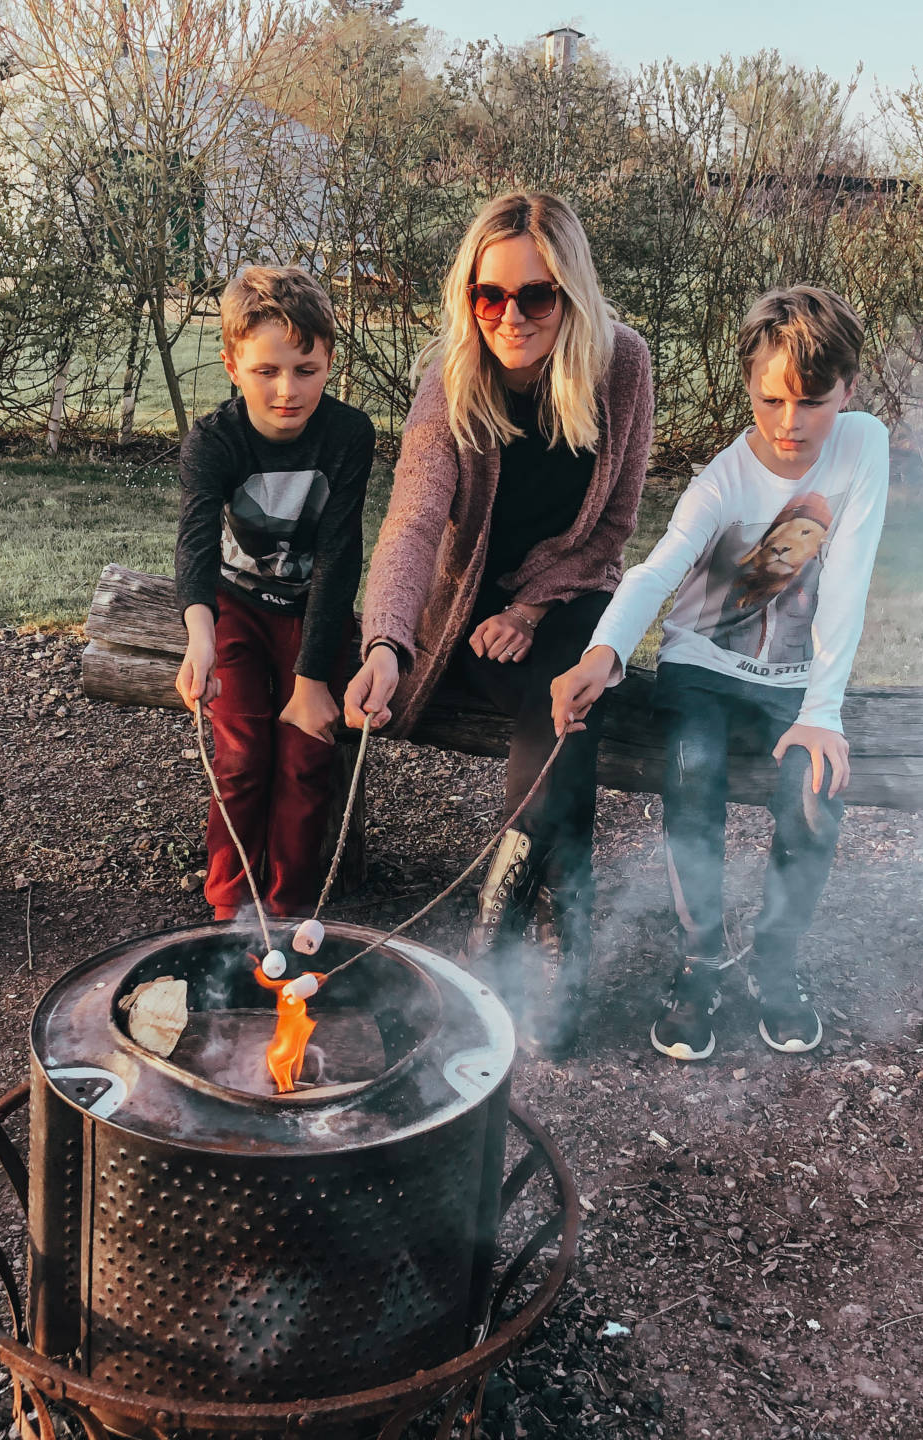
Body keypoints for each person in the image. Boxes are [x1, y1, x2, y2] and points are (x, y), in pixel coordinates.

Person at [343, 192, 653, 1057]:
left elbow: (614, 524)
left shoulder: (623, 364)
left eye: (536, 295)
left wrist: (532, 606)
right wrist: (386, 644)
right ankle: (546, 963)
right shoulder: (452, 374)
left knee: (564, 709)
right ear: (468, 297)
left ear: (572, 294)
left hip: (570, 593)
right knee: (562, 730)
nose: (510, 316)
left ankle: (511, 944)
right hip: (468, 606)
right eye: (490, 295)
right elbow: (411, 522)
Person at [550, 285, 888, 1062]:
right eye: (772, 399)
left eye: (812, 401)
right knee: (693, 768)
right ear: (749, 384)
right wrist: (602, 654)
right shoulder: (722, 482)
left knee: (814, 795)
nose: (790, 422)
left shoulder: (864, 445)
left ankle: (776, 964)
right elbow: (654, 571)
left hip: (795, 678)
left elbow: (849, 577)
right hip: (702, 662)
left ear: (850, 389)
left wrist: (822, 712)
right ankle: (699, 963)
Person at [174, 266, 374, 921]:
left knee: (306, 761)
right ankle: (229, 910)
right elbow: (197, 544)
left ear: (329, 362)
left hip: (314, 615)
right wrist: (199, 639)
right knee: (239, 756)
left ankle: (287, 911)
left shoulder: (348, 436)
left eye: (306, 370)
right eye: (267, 371)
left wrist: (314, 676)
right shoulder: (213, 440)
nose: (288, 391)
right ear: (233, 365)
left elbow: (343, 555)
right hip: (236, 609)